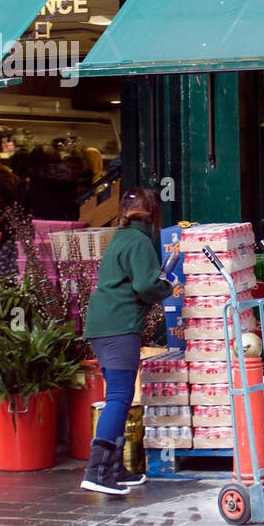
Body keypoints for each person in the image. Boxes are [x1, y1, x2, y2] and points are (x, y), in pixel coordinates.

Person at [80, 186, 172, 495]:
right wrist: (166, 287)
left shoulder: (120, 238)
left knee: (117, 396)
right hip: (119, 327)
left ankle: (115, 466)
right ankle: (98, 471)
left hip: (102, 324)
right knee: (119, 397)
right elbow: (146, 285)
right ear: (153, 216)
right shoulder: (140, 241)